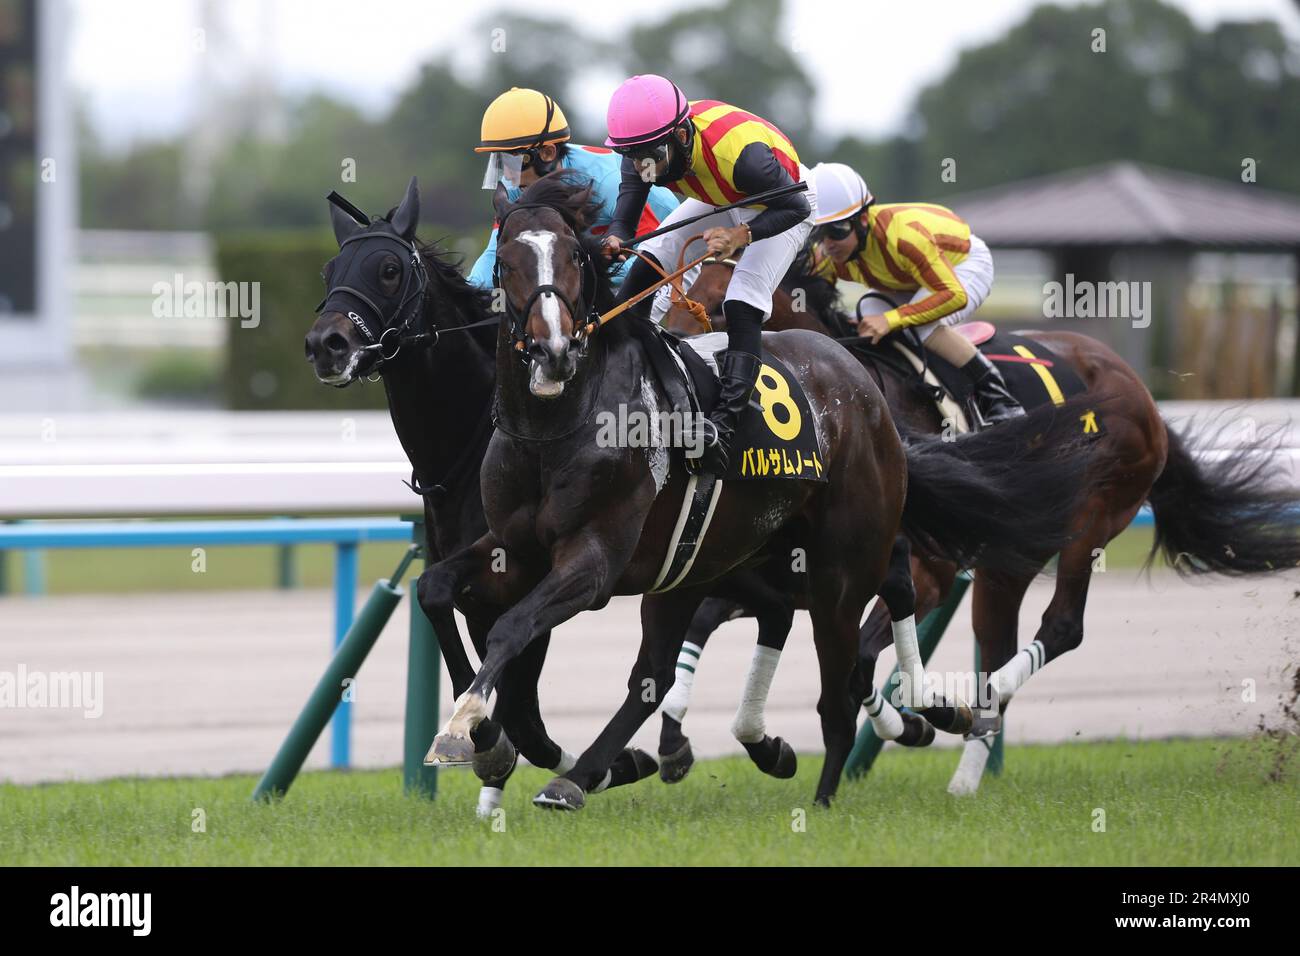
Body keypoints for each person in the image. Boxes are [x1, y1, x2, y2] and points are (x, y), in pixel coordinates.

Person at [600, 74, 818, 474]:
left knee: (743, 297)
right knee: (652, 255)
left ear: (682, 136)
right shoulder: (644, 150)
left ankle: (726, 422)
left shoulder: (744, 158)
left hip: (780, 201)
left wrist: (742, 234)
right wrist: (615, 238)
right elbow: (626, 221)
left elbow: (798, 207)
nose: (643, 168)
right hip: (723, 192)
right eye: (633, 157)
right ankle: (613, 363)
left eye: (650, 157)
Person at [808, 162, 1023, 426]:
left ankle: (999, 398)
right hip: (908, 279)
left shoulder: (904, 238)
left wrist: (892, 319)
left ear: (863, 220)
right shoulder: (829, 254)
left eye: (836, 230)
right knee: (862, 321)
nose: (828, 243)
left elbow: (953, 295)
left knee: (918, 327)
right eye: (819, 233)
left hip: (962, 265)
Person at [469, 87, 680, 320]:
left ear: (547, 153)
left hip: (671, 260)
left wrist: (577, 273)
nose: (506, 176)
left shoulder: (608, 184)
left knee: (619, 330)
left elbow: (652, 258)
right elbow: (494, 254)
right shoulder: (513, 187)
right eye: (498, 162)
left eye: (510, 161)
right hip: (613, 272)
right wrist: (467, 297)